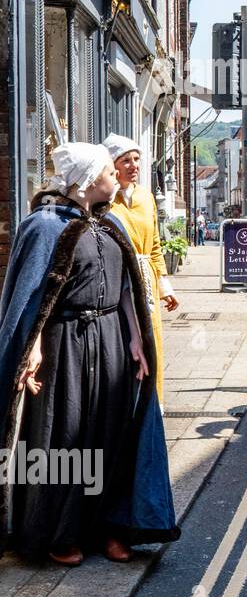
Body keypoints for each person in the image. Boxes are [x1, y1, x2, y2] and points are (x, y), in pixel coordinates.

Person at [0, 143, 180, 565]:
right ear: (85, 182)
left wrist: (137, 339)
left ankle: (110, 529)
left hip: (112, 340)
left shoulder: (109, 224)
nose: (116, 175)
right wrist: (35, 344)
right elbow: (34, 297)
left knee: (111, 431)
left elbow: (124, 288)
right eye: (107, 171)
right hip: (66, 344)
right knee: (65, 437)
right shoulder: (44, 226)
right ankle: (60, 531)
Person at [105, 134, 179, 402]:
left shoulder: (146, 197)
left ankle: (153, 404)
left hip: (145, 281)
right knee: (125, 345)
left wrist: (164, 286)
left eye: (136, 159)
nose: (133, 165)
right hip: (118, 281)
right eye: (126, 160)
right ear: (111, 165)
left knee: (151, 343)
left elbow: (155, 244)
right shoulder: (105, 201)